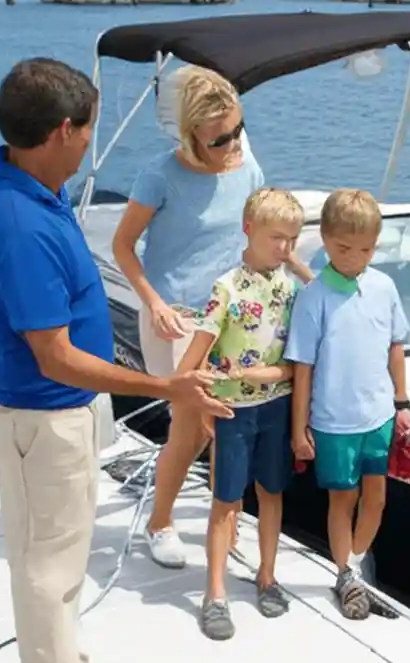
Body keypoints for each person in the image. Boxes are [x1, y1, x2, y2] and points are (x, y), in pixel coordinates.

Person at [0, 57, 233, 663]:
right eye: (88, 131)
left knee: (63, 564)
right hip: (43, 419)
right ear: (62, 131)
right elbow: (54, 357)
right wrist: (166, 385)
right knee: (47, 575)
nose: (91, 143)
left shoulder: (32, 189)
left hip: (64, 416)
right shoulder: (20, 224)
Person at [111, 64, 307, 569]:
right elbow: (123, 246)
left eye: (238, 130)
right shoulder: (159, 176)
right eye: (220, 139)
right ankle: (160, 522)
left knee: (234, 417)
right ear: (190, 133)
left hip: (236, 315)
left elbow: (263, 235)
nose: (233, 144)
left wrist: (312, 283)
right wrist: (152, 303)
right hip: (174, 316)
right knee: (195, 425)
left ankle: (227, 515)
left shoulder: (247, 167)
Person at [174, 187, 306, 639]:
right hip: (236, 409)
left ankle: (267, 576)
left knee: (272, 492)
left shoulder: (290, 289)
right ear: (248, 229)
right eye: (276, 238)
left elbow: (299, 355)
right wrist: (201, 399)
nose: (284, 248)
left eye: (292, 239)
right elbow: (195, 356)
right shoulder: (226, 288)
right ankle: (214, 592)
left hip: (277, 406)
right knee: (225, 501)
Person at [284, 189, 410, 621]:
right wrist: (299, 430)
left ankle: (354, 564)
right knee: (344, 498)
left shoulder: (384, 286)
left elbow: (396, 347)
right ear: (324, 240)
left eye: (366, 249)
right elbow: (302, 367)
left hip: (378, 415)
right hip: (333, 422)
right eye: (344, 248)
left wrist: (403, 402)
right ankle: (345, 571)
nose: (355, 257)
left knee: (375, 499)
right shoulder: (314, 297)